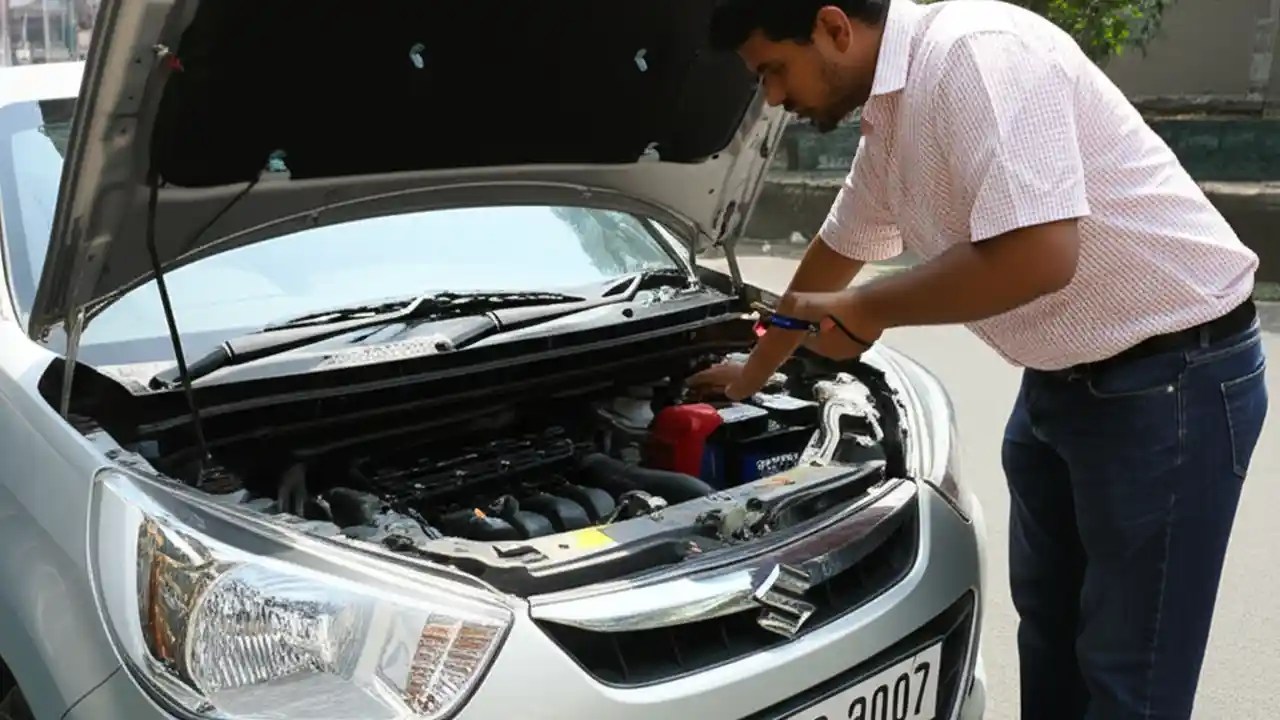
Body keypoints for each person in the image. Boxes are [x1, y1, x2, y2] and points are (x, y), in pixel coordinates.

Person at [692, 1, 1269, 718]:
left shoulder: (976, 55)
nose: (773, 97)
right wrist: (753, 374)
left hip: (1173, 380)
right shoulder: (893, 116)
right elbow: (837, 253)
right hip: (1063, 384)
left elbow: (1039, 256)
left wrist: (871, 311)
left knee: (1130, 673)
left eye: (774, 69)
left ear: (834, 28)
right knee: (1052, 644)